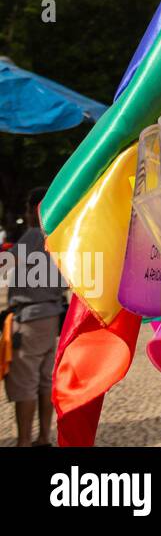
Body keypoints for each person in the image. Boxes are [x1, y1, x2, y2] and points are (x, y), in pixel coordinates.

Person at [3, 187, 65, 447]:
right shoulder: (60, 238)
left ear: (32, 211)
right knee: (44, 380)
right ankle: (43, 437)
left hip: (28, 319)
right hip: (52, 317)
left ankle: (25, 441)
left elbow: (6, 272)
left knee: (25, 383)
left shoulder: (29, 239)